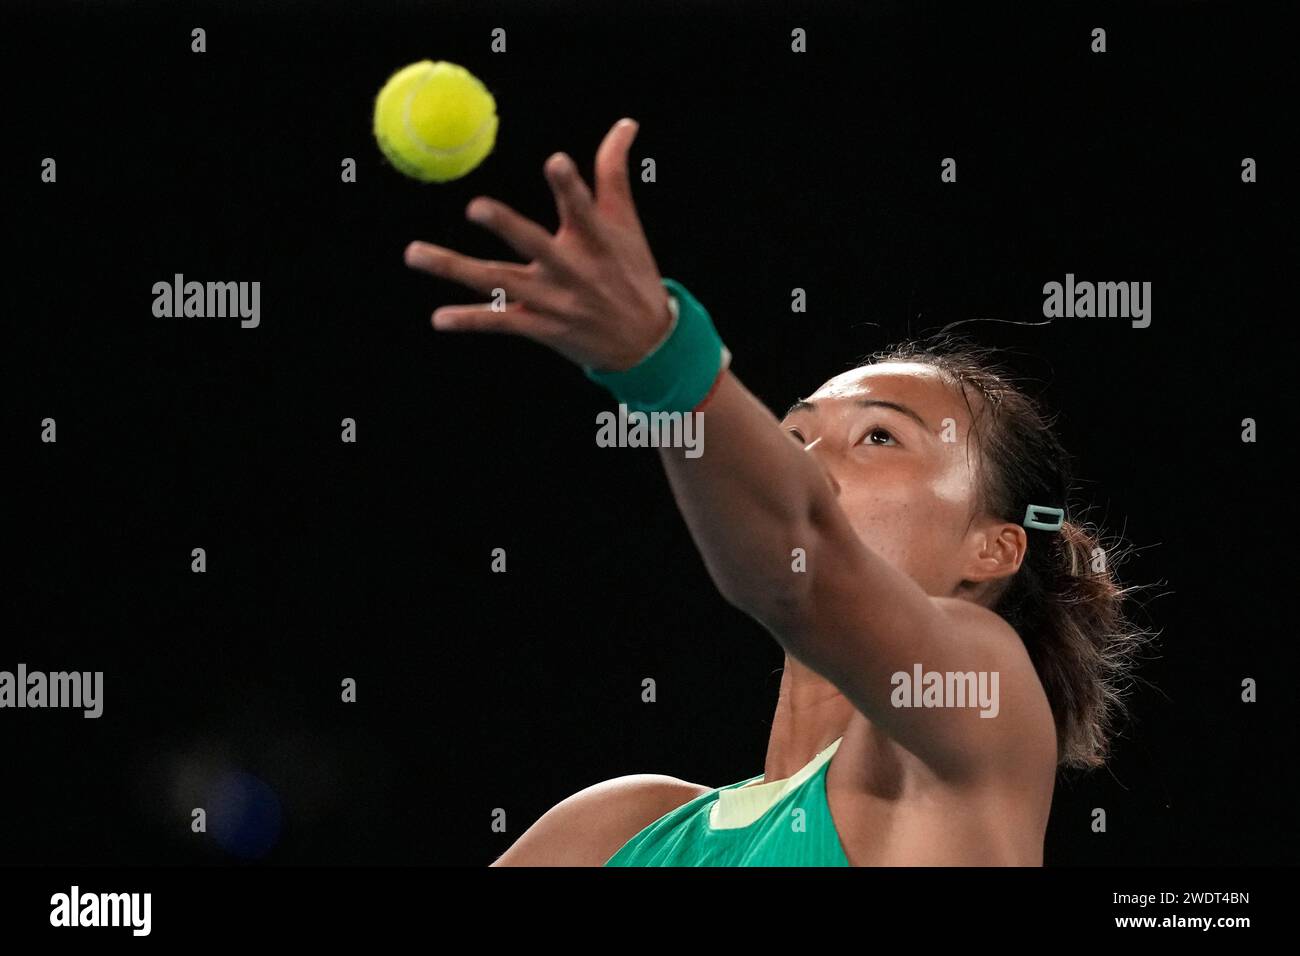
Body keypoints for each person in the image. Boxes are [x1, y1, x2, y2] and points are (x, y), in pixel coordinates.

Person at [403, 118, 1150, 866]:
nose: (808, 458)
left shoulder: (984, 701)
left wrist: (664, 363)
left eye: (880, 437)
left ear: (993, 548)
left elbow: (807, 569)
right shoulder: (613, 829)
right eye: (793, 437)